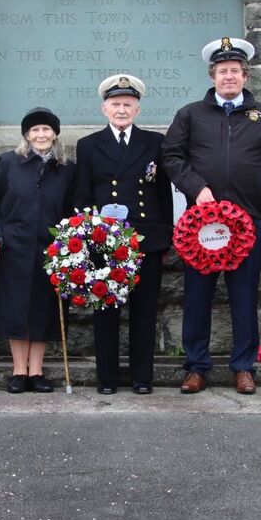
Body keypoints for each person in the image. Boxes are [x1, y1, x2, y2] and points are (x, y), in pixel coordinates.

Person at [163, 37, 261, 395]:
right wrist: (197, 188)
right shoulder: (190, 114)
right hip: (200, 226)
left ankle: (244, 367)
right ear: (212, 76)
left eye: (234, 70)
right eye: (222, 71)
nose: (228, 76)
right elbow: (172, 156)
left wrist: (253, 183)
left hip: (246, 224)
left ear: (245, 75)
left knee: (244, 299)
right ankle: (196, 367)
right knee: (197, 299)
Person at [73, 74, 173, 395]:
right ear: (104, 109)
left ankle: (142, 378)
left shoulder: (154, 143)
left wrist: (166, 234)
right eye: (115, 104)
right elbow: (83, 195)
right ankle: (107, 379)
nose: (121, 110)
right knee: (106, 311)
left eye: (128, 105)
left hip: (147, 239)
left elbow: (163, 193)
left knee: (144, 312)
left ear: (137, 110)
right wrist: (88, 236)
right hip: (106, 241)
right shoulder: (88, 145)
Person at [0, 107, 75, 394]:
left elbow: (72, 208)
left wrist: (68, 240)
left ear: (55, 134)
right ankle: (18, 371)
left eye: (46, 129)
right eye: (35, 130)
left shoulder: (67, 168)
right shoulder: (9, 162)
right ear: (26, 135)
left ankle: (37, 370)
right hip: (14, 247)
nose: (41, 134)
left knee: (43, 309)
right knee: (16, 309)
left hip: (50, 249)